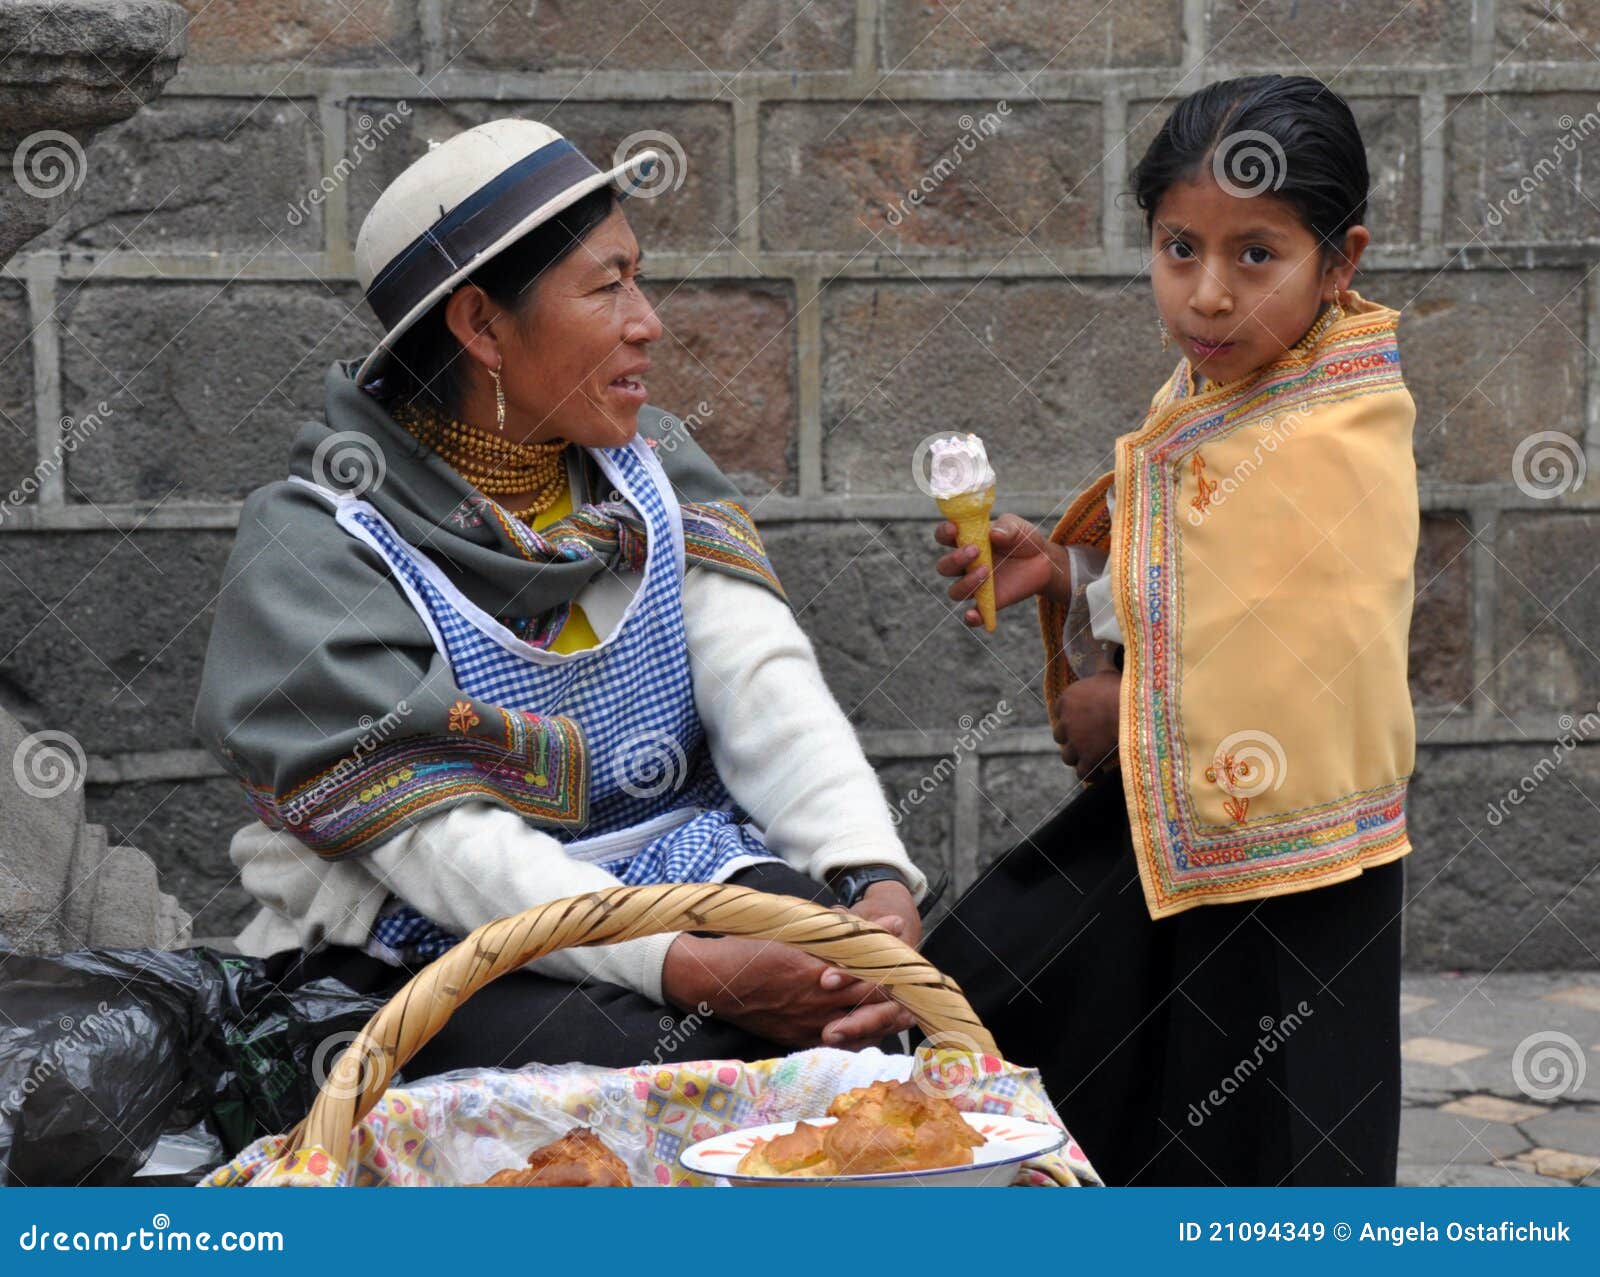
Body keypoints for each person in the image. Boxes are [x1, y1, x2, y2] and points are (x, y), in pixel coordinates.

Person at [192, 119, 929, 1080]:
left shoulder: (649, 473)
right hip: (434, 935)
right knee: (679, 1069)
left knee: (859, 1006)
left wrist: (866, 875)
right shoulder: (322, 545)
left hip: (685, 872)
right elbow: (447, 850)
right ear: (481, 325)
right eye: (606, 285)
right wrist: (680, 968)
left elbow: (766, 689)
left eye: (638, 275)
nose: (647, 320)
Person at [924, 75, 1417, 1186]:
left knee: (1268, 1135)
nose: (1206, 293)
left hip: (1293, 870)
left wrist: (1124, 713)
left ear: (1339, 261)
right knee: (1022, 1007)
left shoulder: (1338, 427)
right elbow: (1197, 580)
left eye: (1256, 255)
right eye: (1178, 246)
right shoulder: (1214, 389)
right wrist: (1069, 566)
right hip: (1173, 827)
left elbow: (1304, 648)